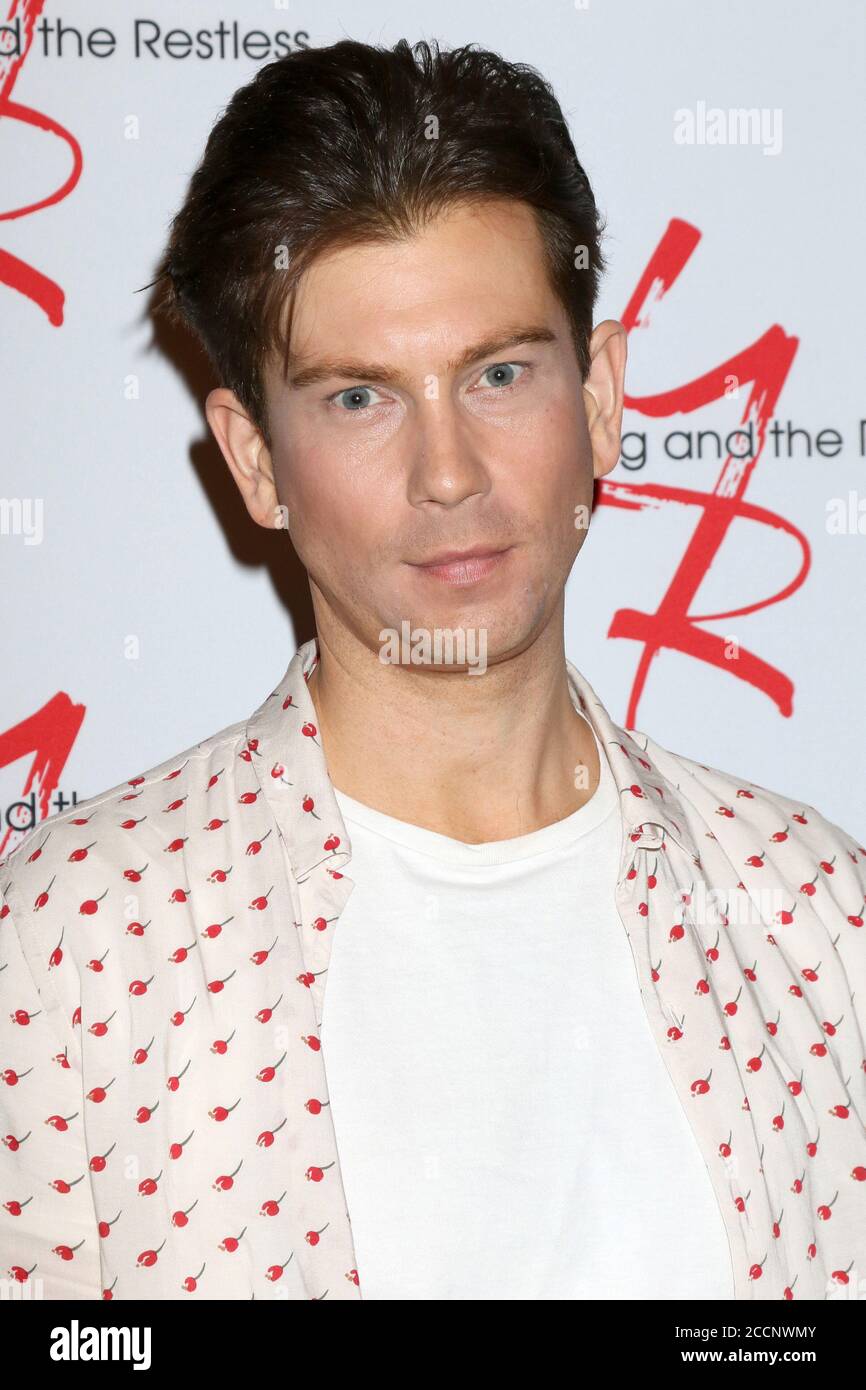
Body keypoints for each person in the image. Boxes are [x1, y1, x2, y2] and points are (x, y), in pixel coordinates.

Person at [2, 37, 864, 1303]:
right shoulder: (69, 949)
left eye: (499, 374)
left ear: (605, 393)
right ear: (252, 460)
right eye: (360, 398)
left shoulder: (818, 918)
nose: (448, 472)